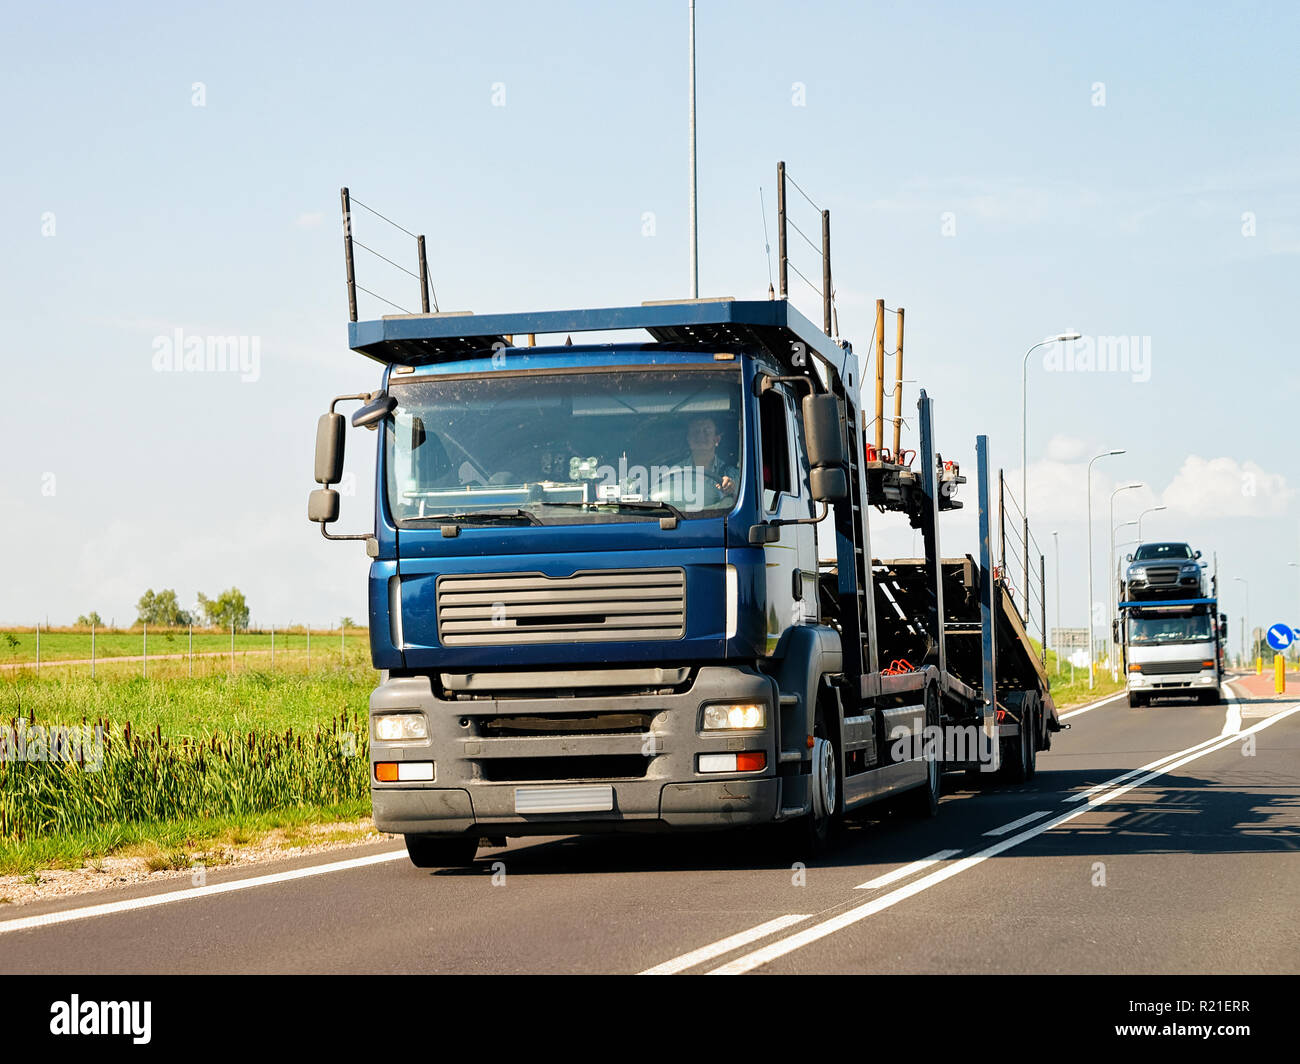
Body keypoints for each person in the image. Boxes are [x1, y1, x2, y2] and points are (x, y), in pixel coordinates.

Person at [661, 415, 738, 508]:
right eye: (695, 431)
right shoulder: (674, 473)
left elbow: (742, 506)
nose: (701, 436)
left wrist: (732, 491)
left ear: (717, 439)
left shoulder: (733, 475)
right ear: (688, 438)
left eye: (707, 431)